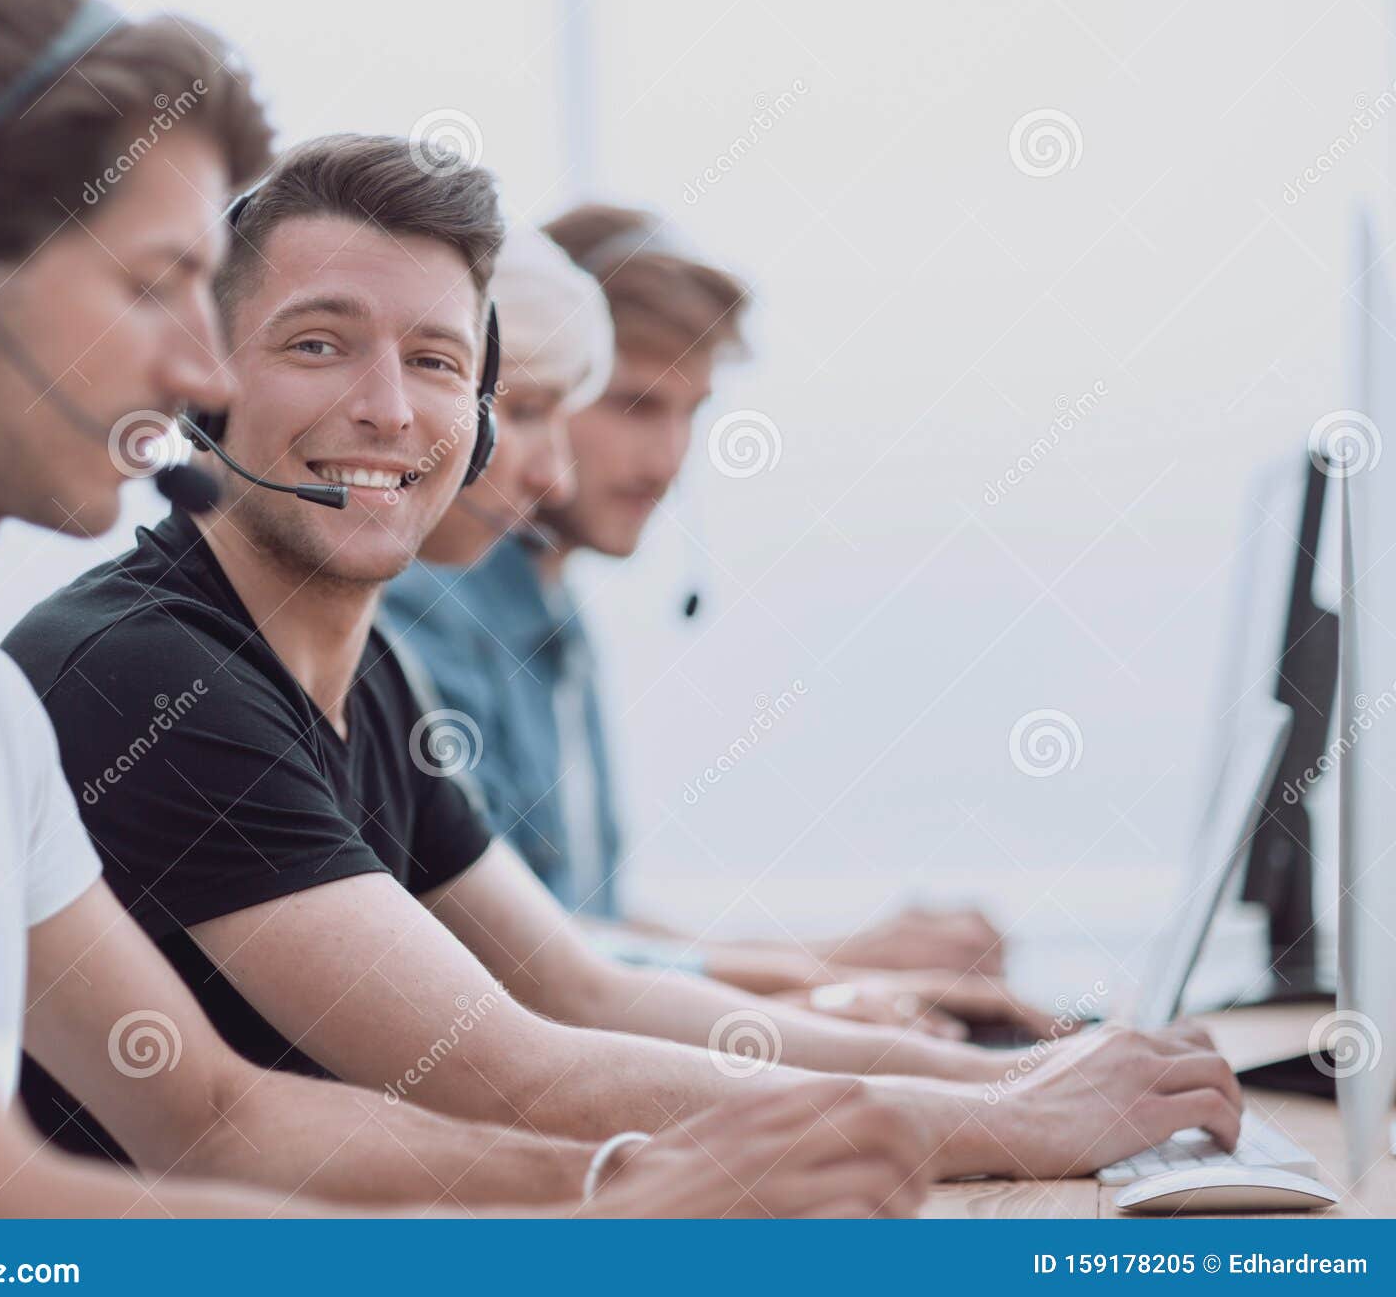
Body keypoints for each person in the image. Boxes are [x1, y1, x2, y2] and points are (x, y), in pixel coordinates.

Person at [0, 0, 928, 1221]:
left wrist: (613, 1177)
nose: (198, 372)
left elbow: (210, 1112)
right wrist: (597, 1226)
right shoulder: (86, 671)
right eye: (149, 287)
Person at [4, 131, 1245, 1180]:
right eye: (319, 343)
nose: (388, 406)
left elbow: (584, 988)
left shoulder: (369, 676)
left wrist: (1005, 1076)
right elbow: (509, 1066)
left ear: (475, 414)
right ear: (209, 388)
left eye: (436, 361)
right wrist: (1007, 1121)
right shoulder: (144, 674)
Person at [380, 203, 1036, 1035]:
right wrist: (834, 974)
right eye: (634, 405)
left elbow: (568, 923)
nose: (668, 461)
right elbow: (506, 962)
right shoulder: (428, 605)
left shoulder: (552, 614)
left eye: (691, 413)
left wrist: (851, 965)